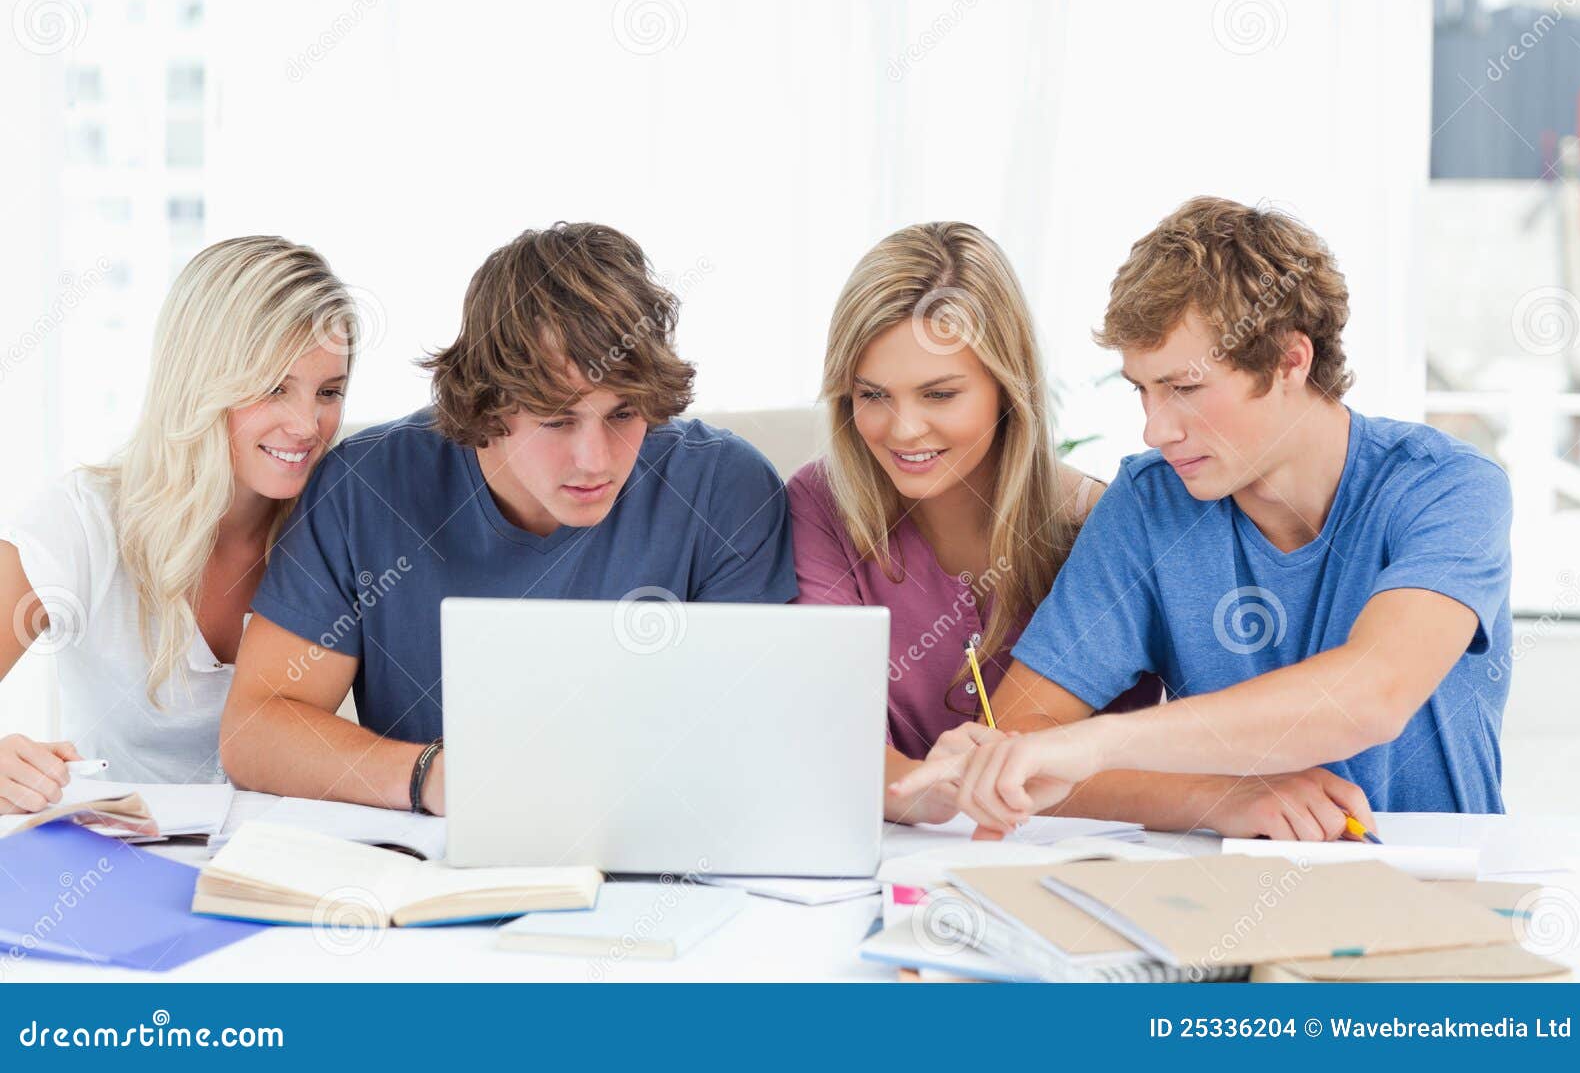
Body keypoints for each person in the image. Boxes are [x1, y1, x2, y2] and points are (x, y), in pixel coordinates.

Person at [896, 197, 1511, 838]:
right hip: (1226, 893)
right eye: (1143, 388)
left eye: (1185, 388)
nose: (1155, 427)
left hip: (1436, 879)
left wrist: (1098, 744)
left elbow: (1373, 695)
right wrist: (1216, 797)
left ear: (1289, 361)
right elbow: (1021, 739)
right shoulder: (1149, 505)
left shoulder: (1446, 487)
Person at [220, 222, 797, 814]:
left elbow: (758, 738)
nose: (595, 460)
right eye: (556, 421)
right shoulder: (365, 489)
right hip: (434, 867)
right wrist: (432, 778)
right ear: (485, 402)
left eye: (624, 415)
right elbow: (258, 732)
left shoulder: (726, 489)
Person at [788, 221, 1134, 827]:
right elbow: (822, 738)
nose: (902, 430)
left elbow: (1134, 758)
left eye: (940, 394)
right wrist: (932, 790)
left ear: (1007, 387)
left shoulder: (1098, 525)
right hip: (892, 866)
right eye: (872, 395)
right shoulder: (820, 507)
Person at [0, 237, 356, 804]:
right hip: (115, 868)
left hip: (282, 870)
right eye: (273, 388)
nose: (308, 425)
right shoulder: (84, 522)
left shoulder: (342, 526)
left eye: (329, 392)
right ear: (200, 380)